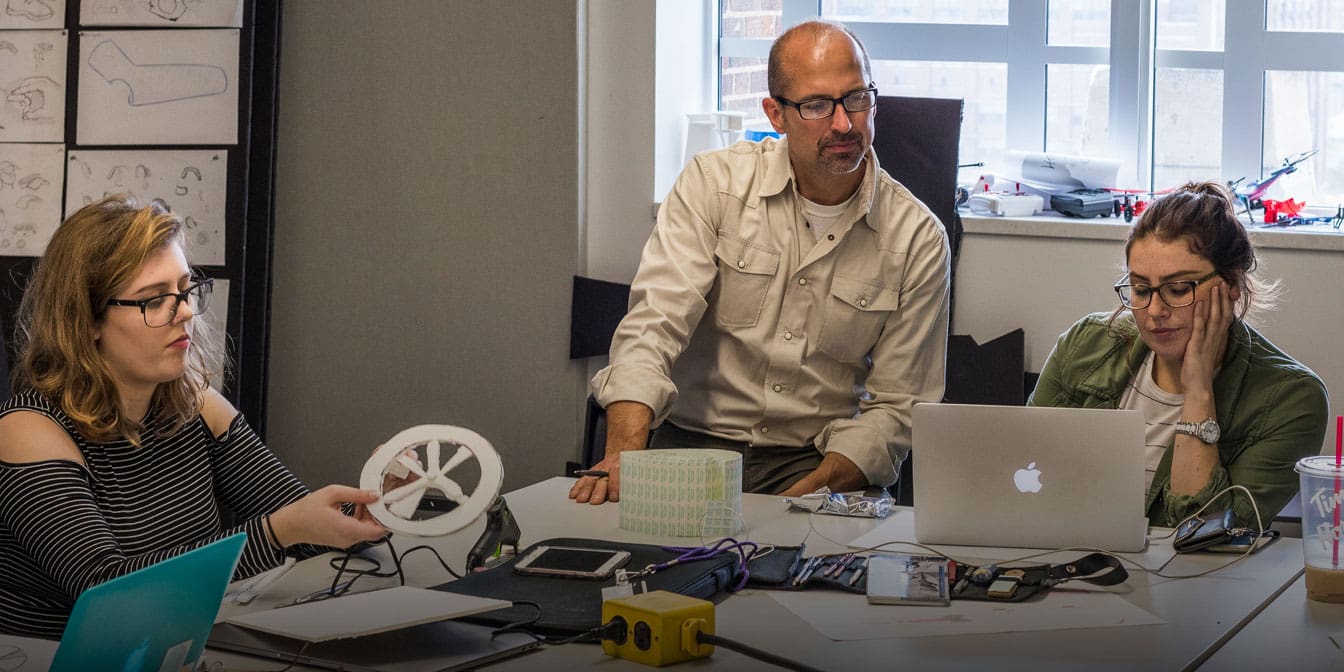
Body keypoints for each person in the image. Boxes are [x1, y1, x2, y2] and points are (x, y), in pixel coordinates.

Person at [570, 20, 951, 504]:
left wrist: (804, 497)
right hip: (692, 446)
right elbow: (652, 327)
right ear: (775, 113)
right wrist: (623, 451)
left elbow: (897, 407)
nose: (844, 124)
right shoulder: (714, 185)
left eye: (857, 98)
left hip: (815, 459)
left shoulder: (917, 237)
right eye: (816, 105)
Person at [0, 196, 389, 638]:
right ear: (86, 321)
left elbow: (305, 527)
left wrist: (380, 504)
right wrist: (279, 530)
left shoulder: (194, 402)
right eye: (153, 300)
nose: (184, 311)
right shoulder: (27, 430)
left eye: (184, 291)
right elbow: (108, 590)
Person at [1028, 181, 1328, 528]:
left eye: (1177, 289)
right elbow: (1025, 469)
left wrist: (1199, 390)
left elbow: (1204, 537)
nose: (1154, 310)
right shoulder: (1085, 345)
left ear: (1231, 284)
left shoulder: (1292, 399)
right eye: (1140, 289)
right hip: (1066, 559)